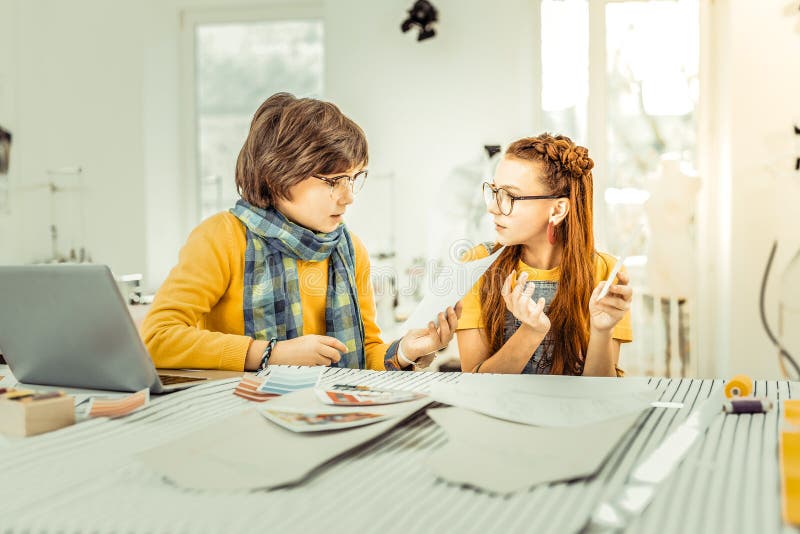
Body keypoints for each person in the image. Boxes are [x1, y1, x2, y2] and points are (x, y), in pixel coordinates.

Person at [142, 93, 458, 372]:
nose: (348, 197)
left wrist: (403, 352)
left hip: (324, 416)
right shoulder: (222, 237)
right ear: (279, 174)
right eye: (333, 180)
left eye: (353, 178)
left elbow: (363, 356)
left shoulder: (350, 250)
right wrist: (270, 354)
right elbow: (158, 338)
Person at [456, 134, 632, 376]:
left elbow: (600, 395)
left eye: (510, 196)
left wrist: (602, 331)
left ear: (558, 209)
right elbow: (474, 383)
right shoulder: (477, 263)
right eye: (495, 191)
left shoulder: (605, 274)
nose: (492, 207)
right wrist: (530, 331)